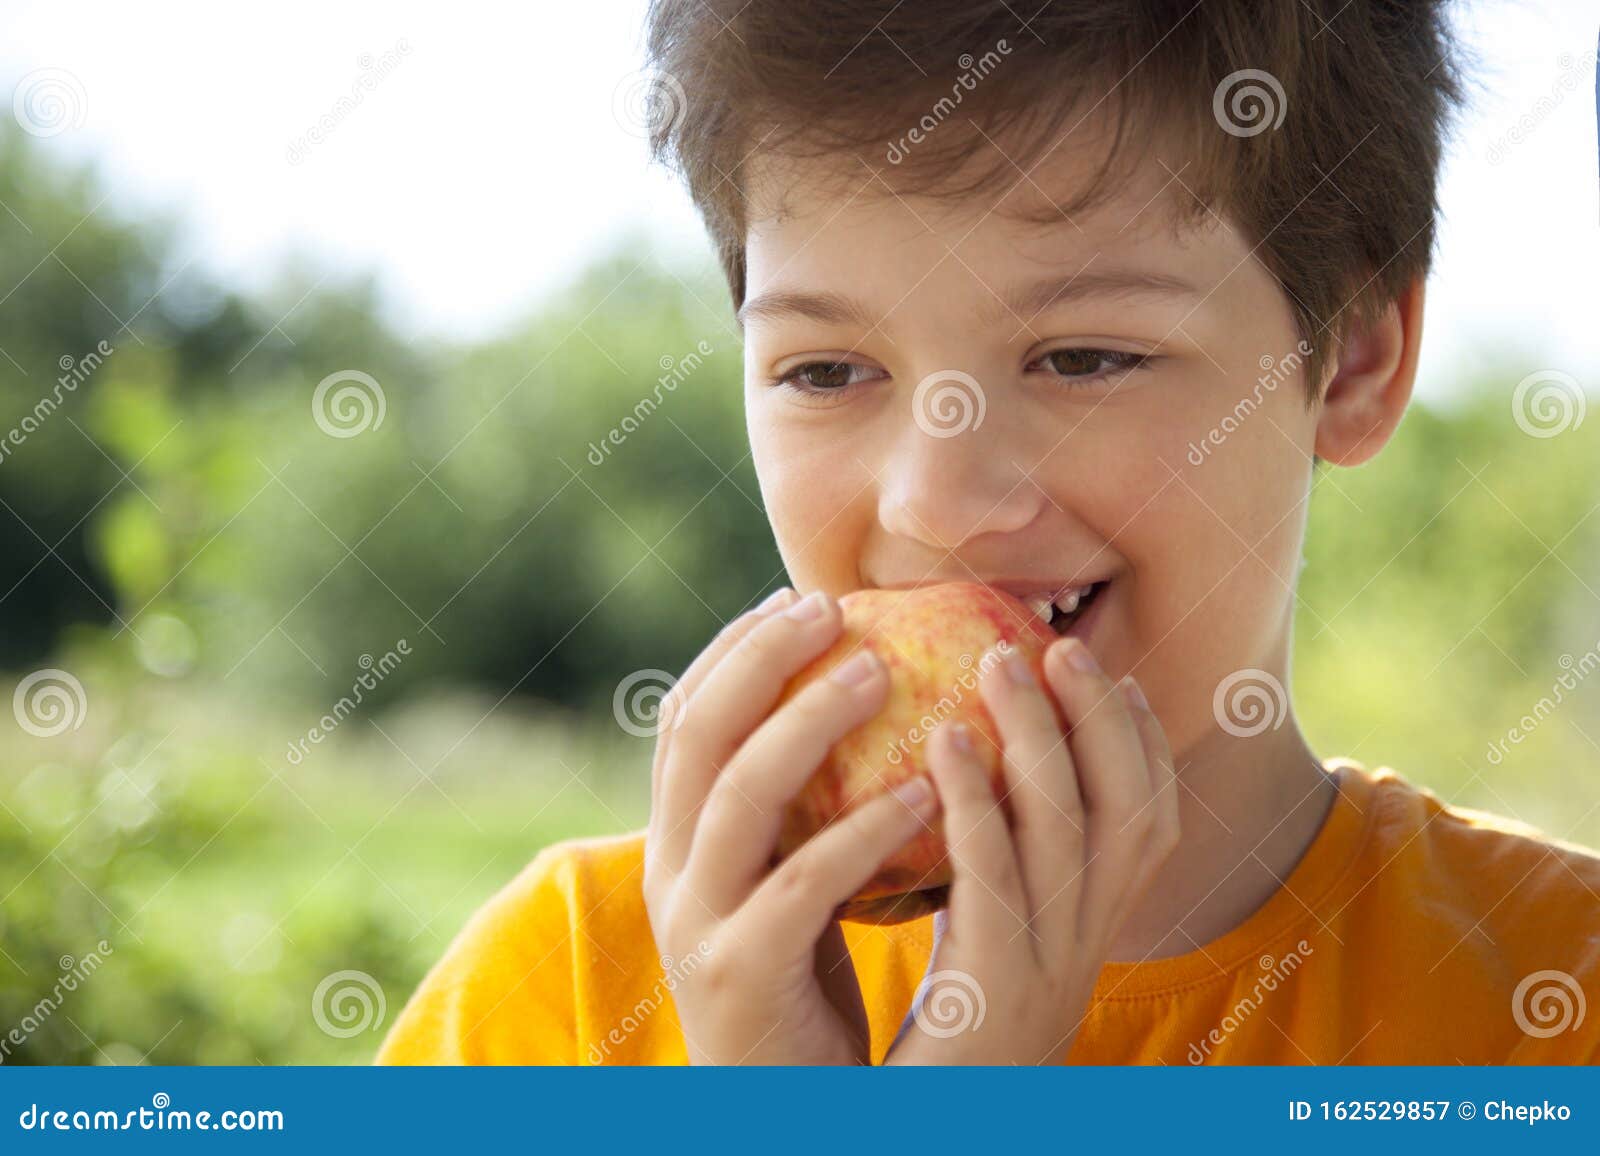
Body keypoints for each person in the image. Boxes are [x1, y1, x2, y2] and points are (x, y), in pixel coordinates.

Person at [380, 0, 1600, 1064]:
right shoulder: (560, 994)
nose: (934, 501)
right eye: (827, 370)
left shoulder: (1554, 1003)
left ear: (1351, 360)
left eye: (1084, 357)